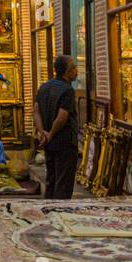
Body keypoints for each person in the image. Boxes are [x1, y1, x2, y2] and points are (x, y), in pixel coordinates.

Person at [35, 55, 80, 199]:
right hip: (64, 142)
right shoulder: (67, 90)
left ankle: (48, 209)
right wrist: (51, 134)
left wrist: (43, 133)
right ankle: (61, 212)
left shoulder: (44, 87)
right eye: (74, 68)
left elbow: (36, 111)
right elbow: (62, 117)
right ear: (67, 71)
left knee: (51, 179)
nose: (76, 71)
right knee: (63, 182)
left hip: (49, 143)